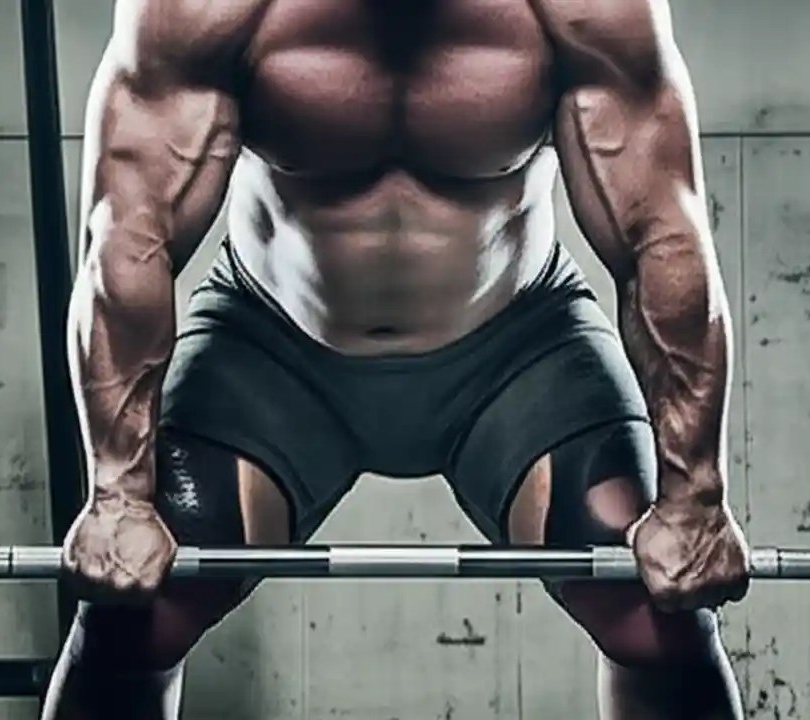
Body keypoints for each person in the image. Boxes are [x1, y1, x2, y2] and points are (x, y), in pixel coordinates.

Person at [41, 0, 752, 718]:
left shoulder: (587, 10)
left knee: (659, 619)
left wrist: (694, 499)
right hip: (274, 352)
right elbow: (129, 239)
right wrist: (119, 498)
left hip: (514, 351)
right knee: (131, 618)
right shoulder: (201, 11)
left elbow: (659, 237)